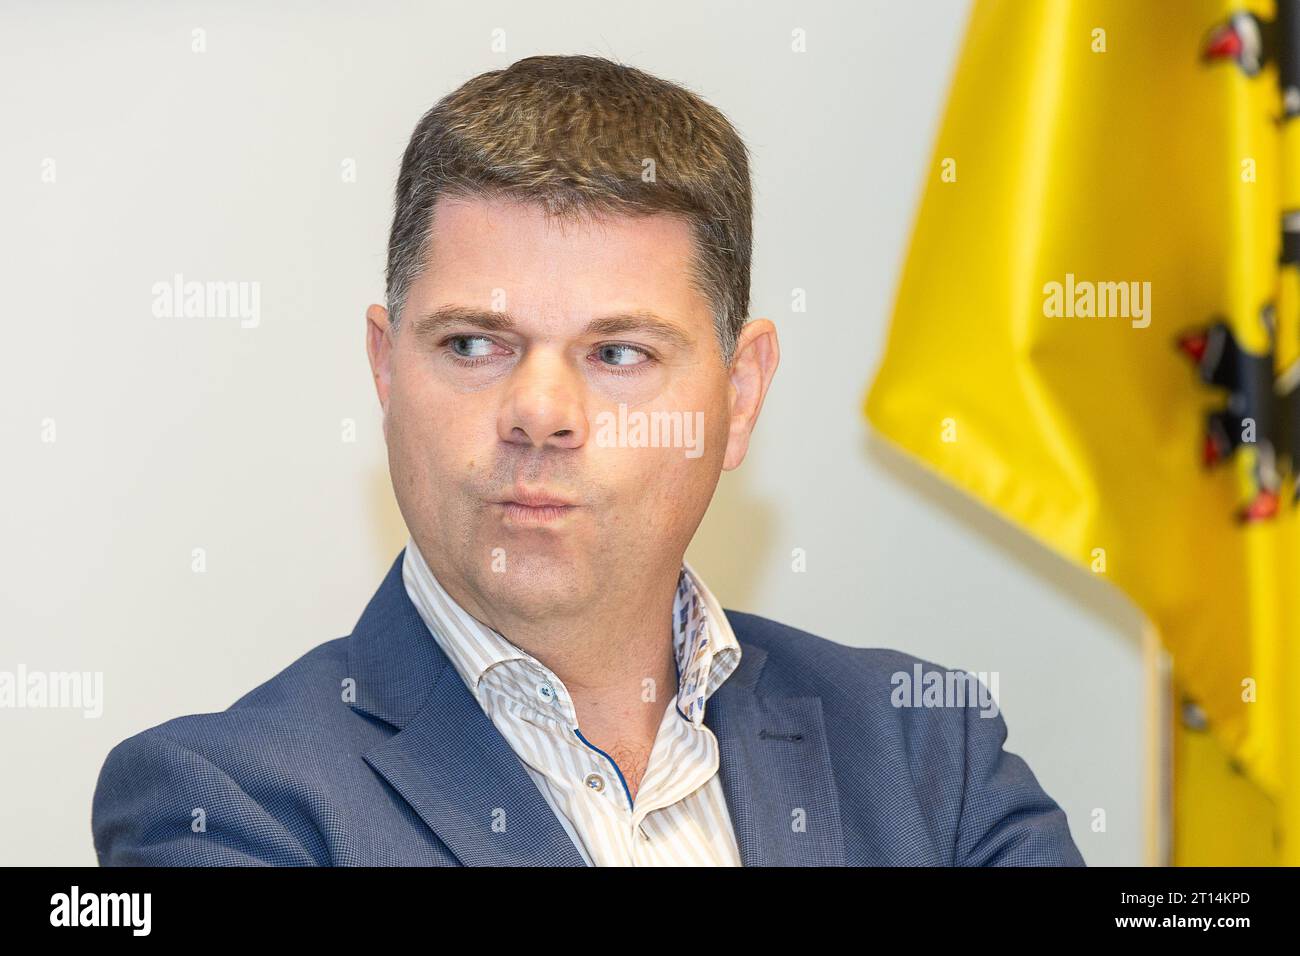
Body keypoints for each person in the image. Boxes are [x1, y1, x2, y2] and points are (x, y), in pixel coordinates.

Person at [92, 54, 1085, 866]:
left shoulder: (926, 752)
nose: (539, 413)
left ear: (738, 397)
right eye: (473, 343)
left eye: (617, 353)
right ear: (385, 372)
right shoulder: (226, 806)